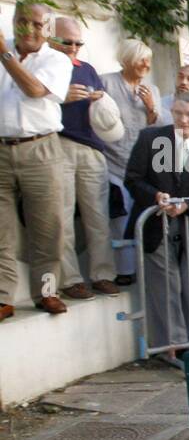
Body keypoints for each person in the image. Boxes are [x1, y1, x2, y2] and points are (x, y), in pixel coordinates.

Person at [123, 91, 189, 365]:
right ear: (172, 112)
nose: (184, 120)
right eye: (179, 113)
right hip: (155, 225)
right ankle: (176, 345)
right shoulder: (151, 139)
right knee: (165, 285)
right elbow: (133, 179)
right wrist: (156, 197)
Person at [0, 0, 73, 320]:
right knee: (1, 231)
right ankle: (2, 297)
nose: (29, 29)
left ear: (47, 29)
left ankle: (46, 292)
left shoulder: (56, 60)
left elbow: (32, 90)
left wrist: (4, 54)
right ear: (14, 21)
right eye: (23, 21)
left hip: (40, 149)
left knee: (48, 227)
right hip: (1, 149)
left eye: (37, 24)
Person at [51, 16, 118, 301]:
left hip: (92, 147)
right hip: (59, 144)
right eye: (67, 42)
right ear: (51, 40)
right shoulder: (43, 67)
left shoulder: (88, 69)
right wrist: (60, 97)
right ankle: (70, 279)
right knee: (62, 216)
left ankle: (102, 275)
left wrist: (100, 100)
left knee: (98, 216)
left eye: (78, 42)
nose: (73, 47)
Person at [101, 38, 162, 285]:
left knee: (141, 216)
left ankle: (142, 268)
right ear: (126, 59)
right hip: (111, 161)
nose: (146, 65)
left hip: (140, 164)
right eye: (141, 59)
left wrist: (151, 108)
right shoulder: (106, 82)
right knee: (119, 216)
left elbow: (158, 128)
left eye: (148, 60)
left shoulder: (152, 90)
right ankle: (124, 271)